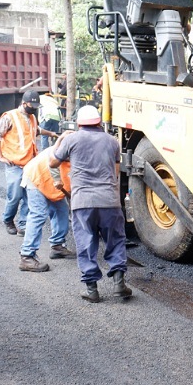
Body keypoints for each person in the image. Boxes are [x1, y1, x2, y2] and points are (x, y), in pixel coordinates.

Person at [50, 105, 131, 303]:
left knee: (86, 242)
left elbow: (53, 162)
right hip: (109, 201)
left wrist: (61, 140)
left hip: (82, 201)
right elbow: (117, 171)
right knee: (115, 240)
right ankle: (119, 283)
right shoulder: (112, 141)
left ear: (79, 123)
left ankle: (92, 289)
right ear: (98, 122)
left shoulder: (72, 139)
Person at [0, 91, 57, 236]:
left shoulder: (32, 117)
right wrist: (0, 156)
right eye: (31, 106)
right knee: (15, 196)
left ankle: (23, 224)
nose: (33, 108)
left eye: (35, 106)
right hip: (14, 164)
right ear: (24, 103)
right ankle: (8, 220)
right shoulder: (10, 117)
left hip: (30, 164)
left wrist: (50, 133)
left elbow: (36, 131)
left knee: (30, 196)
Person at [18, 145, 75, 272]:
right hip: (36, 176)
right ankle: (26, 256)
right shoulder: (69, 147)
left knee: (61, 211)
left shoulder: (78, 145)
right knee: (38, 214)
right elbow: (53, 164)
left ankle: (57, 246)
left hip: (51, 181)